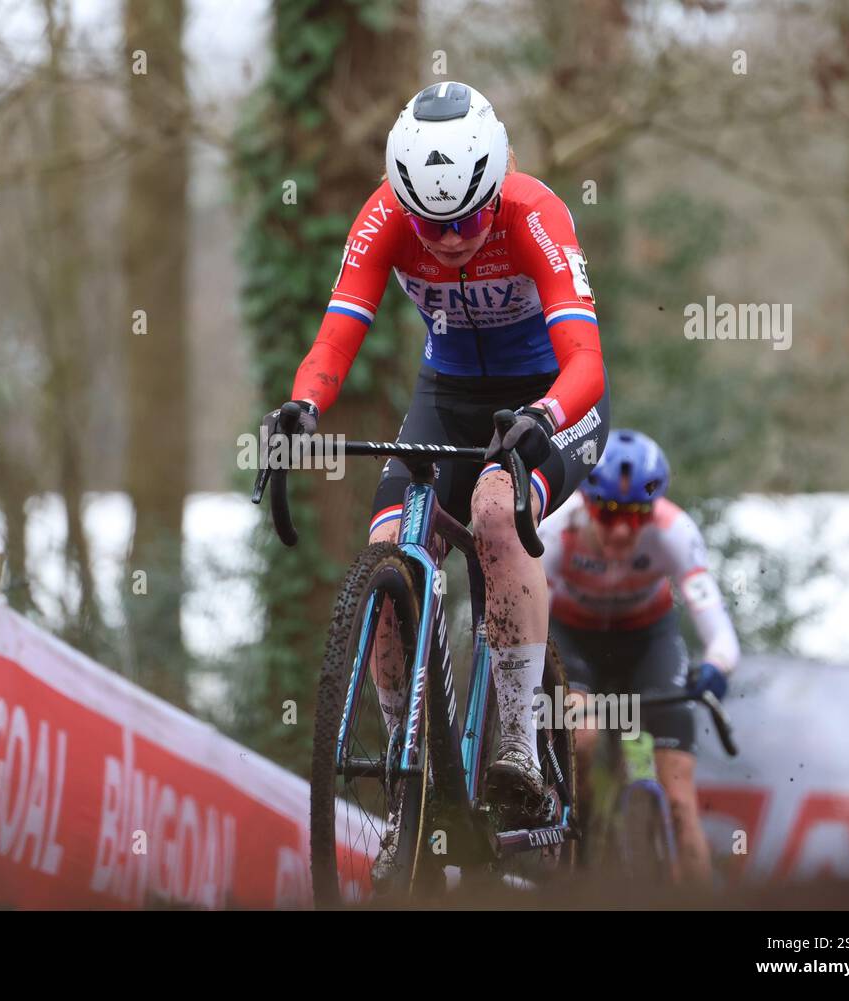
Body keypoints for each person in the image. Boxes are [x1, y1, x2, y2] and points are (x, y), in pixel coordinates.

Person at [261, 81, 609, 879]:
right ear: (401, 197)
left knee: (494, 508)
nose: (449, 239)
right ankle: (407, 789)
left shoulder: (534, 213)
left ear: (494, 188)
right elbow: (338, 332)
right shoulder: (383, 216)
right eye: (431, 222)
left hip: (551, 396)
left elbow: (585, 360)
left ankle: (516, 744)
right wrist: (302, 407)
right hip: (447, 400)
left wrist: (545, 418)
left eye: (465, 219)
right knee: (389, 543)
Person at [538, 428, 740, 884]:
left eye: (636, 514)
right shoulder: (555, 527)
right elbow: (526, 616)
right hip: (574, 640)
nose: (624, 529)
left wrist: (716, 667)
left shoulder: (674, 531)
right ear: (586, 504)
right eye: (609, 514)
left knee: (681, 799)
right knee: (583, 737)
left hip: (648, 642)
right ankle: (581, 836)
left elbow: (718, 630)